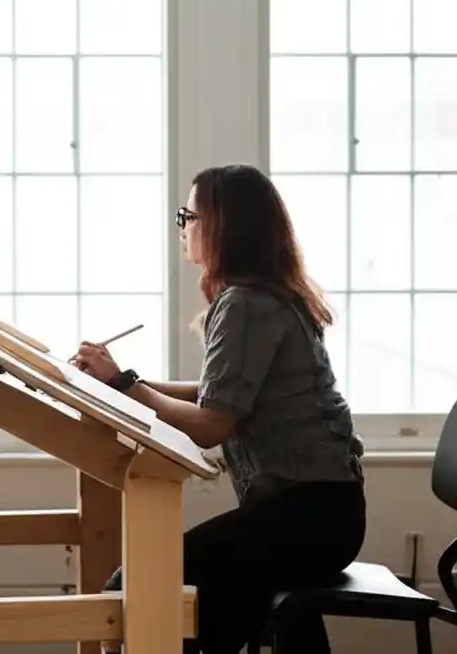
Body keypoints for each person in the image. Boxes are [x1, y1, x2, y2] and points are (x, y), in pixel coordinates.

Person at [72, 164, 366, 654]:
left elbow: (211, 424)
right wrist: (125, 382)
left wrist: (123, 383)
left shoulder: (246, 304)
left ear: (223, 226)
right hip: (326, 514)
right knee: (216, 600)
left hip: (308, 517)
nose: (182, 227)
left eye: (189, 215)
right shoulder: (268, 295)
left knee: (137, 587)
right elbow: (221, 393)